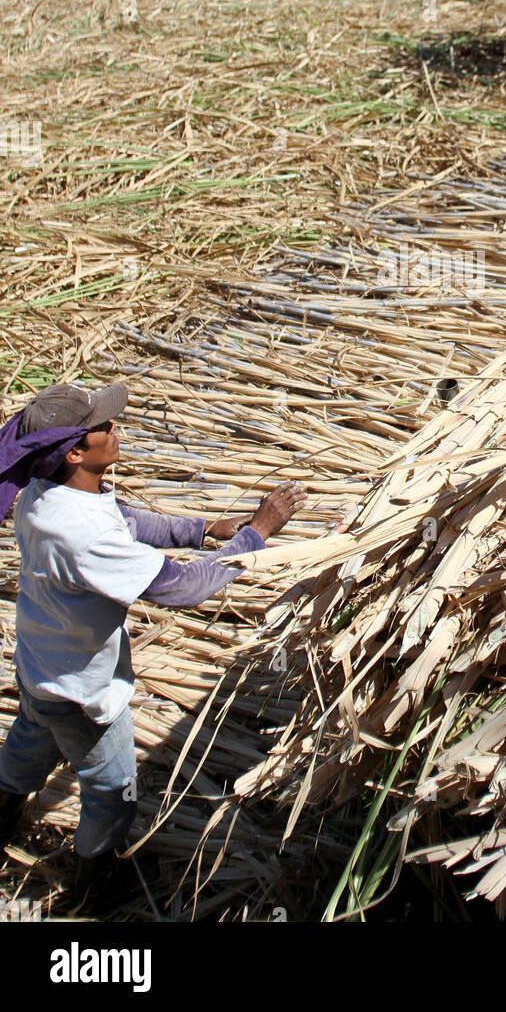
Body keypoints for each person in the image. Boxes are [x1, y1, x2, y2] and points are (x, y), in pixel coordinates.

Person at [0, 381, 307, 907]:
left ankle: (3, 813)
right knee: (112, 792)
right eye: (104, 426)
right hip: (83, 692)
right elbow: (184, 588)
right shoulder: (79, 532)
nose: (116, 429)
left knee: (30, 742)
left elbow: (126, 521)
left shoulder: (46, 490)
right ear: (75, 450)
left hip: (40, 665)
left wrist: (206, 527)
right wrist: (255, 532)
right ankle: (91, 882)